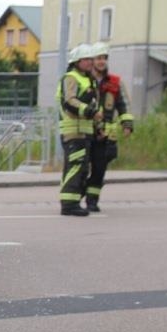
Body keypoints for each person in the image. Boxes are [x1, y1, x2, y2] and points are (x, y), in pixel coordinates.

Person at [86, 41, 134, 212]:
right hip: (85, 131)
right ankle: (77, 195)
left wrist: (127, 124)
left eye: (104, 58)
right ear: (92, 60)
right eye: (98, 58)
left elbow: (123, 105)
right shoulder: (84, 79)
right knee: (82, 168)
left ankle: (92, 201)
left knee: (99, 169)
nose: (102, 61)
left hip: (105, 134)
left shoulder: (114, 82)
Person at [56, 43, 101, 217]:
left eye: (91, 59)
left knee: (82, 168)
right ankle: (69, 204)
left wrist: (98, 124)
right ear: (77, 61)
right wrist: (89, 111)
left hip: (85, 131)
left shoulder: (89, 80)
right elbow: (70, 101)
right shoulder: (71, 78)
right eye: (86, 59)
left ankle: (73, 201)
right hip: (73, 132)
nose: (90, 62)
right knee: (75, 167)